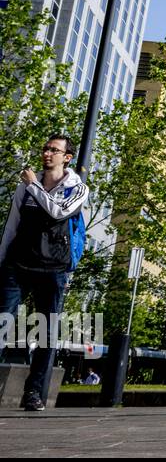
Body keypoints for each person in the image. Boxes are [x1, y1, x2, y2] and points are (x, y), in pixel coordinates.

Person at [0, 134, 88, 412]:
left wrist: (35, 186)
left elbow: (58, 213)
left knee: (47, 334)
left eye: (54, 150)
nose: (47, 153)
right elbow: (11, 226)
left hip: (53, 269)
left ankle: (34, 393)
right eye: (46, 148)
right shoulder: (24, 187)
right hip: (18, 263)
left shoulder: (77, 188)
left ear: (67, 157)